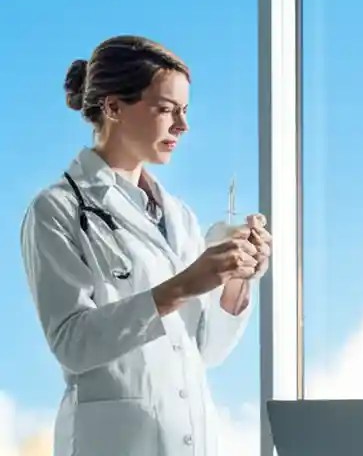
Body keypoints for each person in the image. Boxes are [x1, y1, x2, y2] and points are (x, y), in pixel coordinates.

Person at [19, 35, 273, 456]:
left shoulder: (179, 217)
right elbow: (72, 343)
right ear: (113, 107)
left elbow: (204, 352)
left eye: (185, 111)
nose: (182, 125)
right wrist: (183, 286)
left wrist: (234, 282)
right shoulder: (57, 209)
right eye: (167, 109)